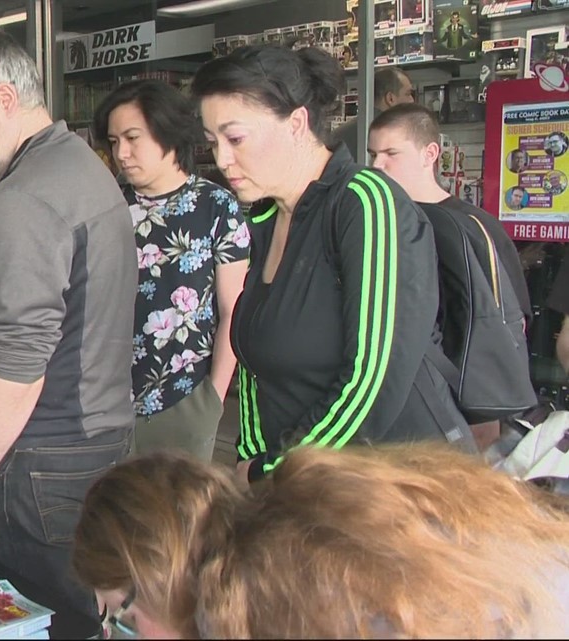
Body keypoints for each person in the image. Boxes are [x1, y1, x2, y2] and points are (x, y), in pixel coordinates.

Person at [0, 25, 136, 621]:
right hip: (97, 433)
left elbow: (19, 359)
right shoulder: (83, 170)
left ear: (5, 99)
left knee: (49, 615)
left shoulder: (24, 199)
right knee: (88, 606)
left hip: (43, 449)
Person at [190, 45, 468, 486]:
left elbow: (371, 384)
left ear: (297, 123)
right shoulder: (267, 218)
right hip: (307, 498)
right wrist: (252, 457)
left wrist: (272, 472)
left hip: (390, 499)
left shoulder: (364, 202)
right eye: (212, 143)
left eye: (235, 138)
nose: (222, 159)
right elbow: (254, 365)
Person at [73, 446, 569, 639]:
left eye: (128, 619)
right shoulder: (286, 524)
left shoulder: (281, 596)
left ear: (158, 571)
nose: (122, 636)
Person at [92, 79, 249, 460]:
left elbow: (234, 308)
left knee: (178, 515)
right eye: (114, 142)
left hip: (185, 395)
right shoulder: (106, 206)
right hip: (105, 398)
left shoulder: (216, 207)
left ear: (169, 133)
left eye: (133, 137)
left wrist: (212, 396)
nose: (122, 153)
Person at [368, 103, 532, 449]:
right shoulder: (379, 223)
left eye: (390, 153)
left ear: (430, 153)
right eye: (373, 154)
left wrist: (483, 413)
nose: (376, 165)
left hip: (460, 403)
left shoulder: (473, 228)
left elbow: (508, 324)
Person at [330, 67, 416, 162]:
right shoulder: (397, 134)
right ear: (390, 98)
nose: (411, 100)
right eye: (408, 94)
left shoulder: (339, 133)